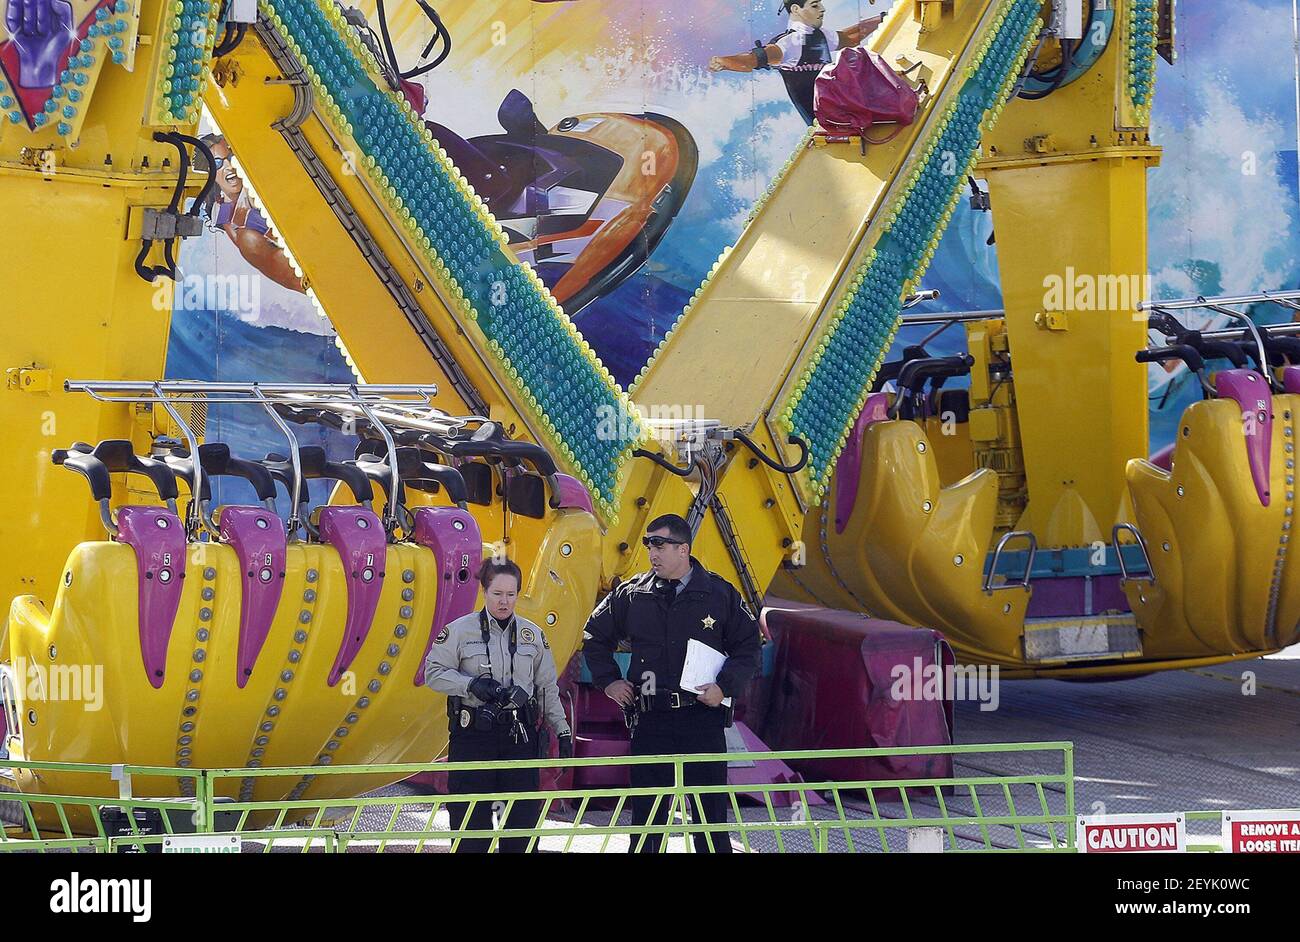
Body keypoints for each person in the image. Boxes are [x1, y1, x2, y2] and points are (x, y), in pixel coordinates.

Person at [582, 514, 762, 853]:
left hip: (701, 718)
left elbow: (749, 646)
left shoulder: (718, 593)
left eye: (660, 545)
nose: (653, 553)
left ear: (684, 549)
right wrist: (609, 681)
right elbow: (594, 635)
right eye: (649, 545)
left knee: (709, 820)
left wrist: (724, 687)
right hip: (651, 719)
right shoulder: (634, 594)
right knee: (648, 821)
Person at [424, 557, 573, 852]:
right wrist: (471, 685)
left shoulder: (533, 635)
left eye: (511, 594)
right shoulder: (459, 631)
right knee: (470, 825)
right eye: (497, 594)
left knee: (522, 824)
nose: (504, 602)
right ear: (484, 591)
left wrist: (563, 730)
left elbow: (546, 688)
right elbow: (433, 673)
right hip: (474, 736)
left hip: (520, 736)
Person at [708, 0, 884, 125]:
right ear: (796, 9)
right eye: (815, 5)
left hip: (847, 109)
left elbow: (850, 38)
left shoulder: (820, 34)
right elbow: (755, 59)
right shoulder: (789, 42)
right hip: (828, 122)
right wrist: (726, 62)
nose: (822, 9)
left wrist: (882, 18)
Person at [193, 135, 308, 293]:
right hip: (295, 257)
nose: (228, 166)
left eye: (230, 158)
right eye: (218, 163)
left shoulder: (260, 183)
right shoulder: (225, 214)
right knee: (249, 240)